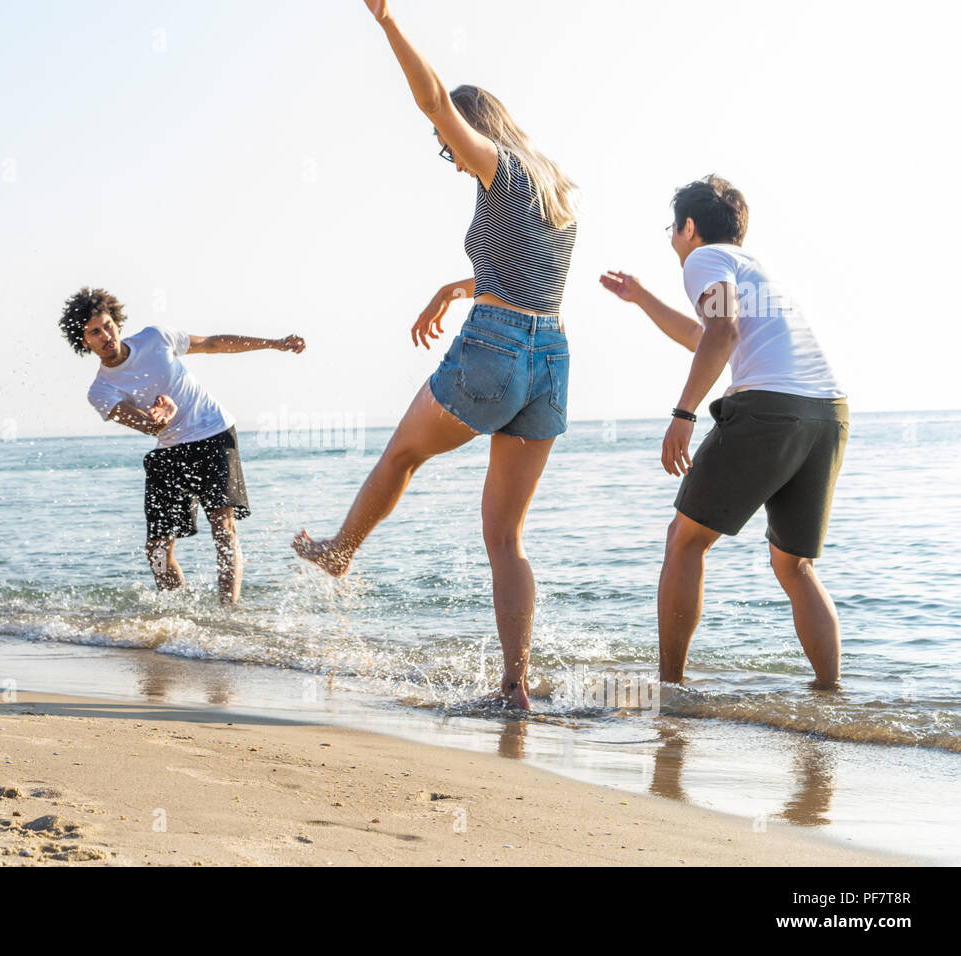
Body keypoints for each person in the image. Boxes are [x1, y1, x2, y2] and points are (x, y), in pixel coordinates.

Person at [293, 0, 580, 710]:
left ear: (470, 130)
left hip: (495, 350)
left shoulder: (497, 166)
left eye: (447, 142)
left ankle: (340, 551)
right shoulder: (552, 186)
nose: (447, 154)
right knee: (506, 540)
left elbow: (429, 97)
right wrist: (450, 289)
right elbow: (521, 274)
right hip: (551, 357)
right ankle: (514, 687)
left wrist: (388, 22)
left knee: (400, 456)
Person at [600, 175, 849, 686]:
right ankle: (831, 699)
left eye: (672, 227)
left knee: (684, 540)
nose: (673, 237)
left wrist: (684, 413)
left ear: (690, 226)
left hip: (769, 410)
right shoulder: (753, 268)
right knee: (793, 564)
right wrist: (643, 297)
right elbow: (706, 335)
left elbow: (721, 331)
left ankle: (671, 687)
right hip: (828, 413)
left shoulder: (704, 258)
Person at [60, 287, 304, 604]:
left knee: (223, 527)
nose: (106, 335)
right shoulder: (102, 390)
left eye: (108, 325)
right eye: (95, 332)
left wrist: (273, 344)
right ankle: (180, 616)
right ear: (85, 342)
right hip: (170, 448)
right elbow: (146, 424)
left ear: (117, 323)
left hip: (215, 433)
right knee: (157, 549)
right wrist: (161, 418)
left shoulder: (156, 338)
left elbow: (213, 343)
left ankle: (227, 614)